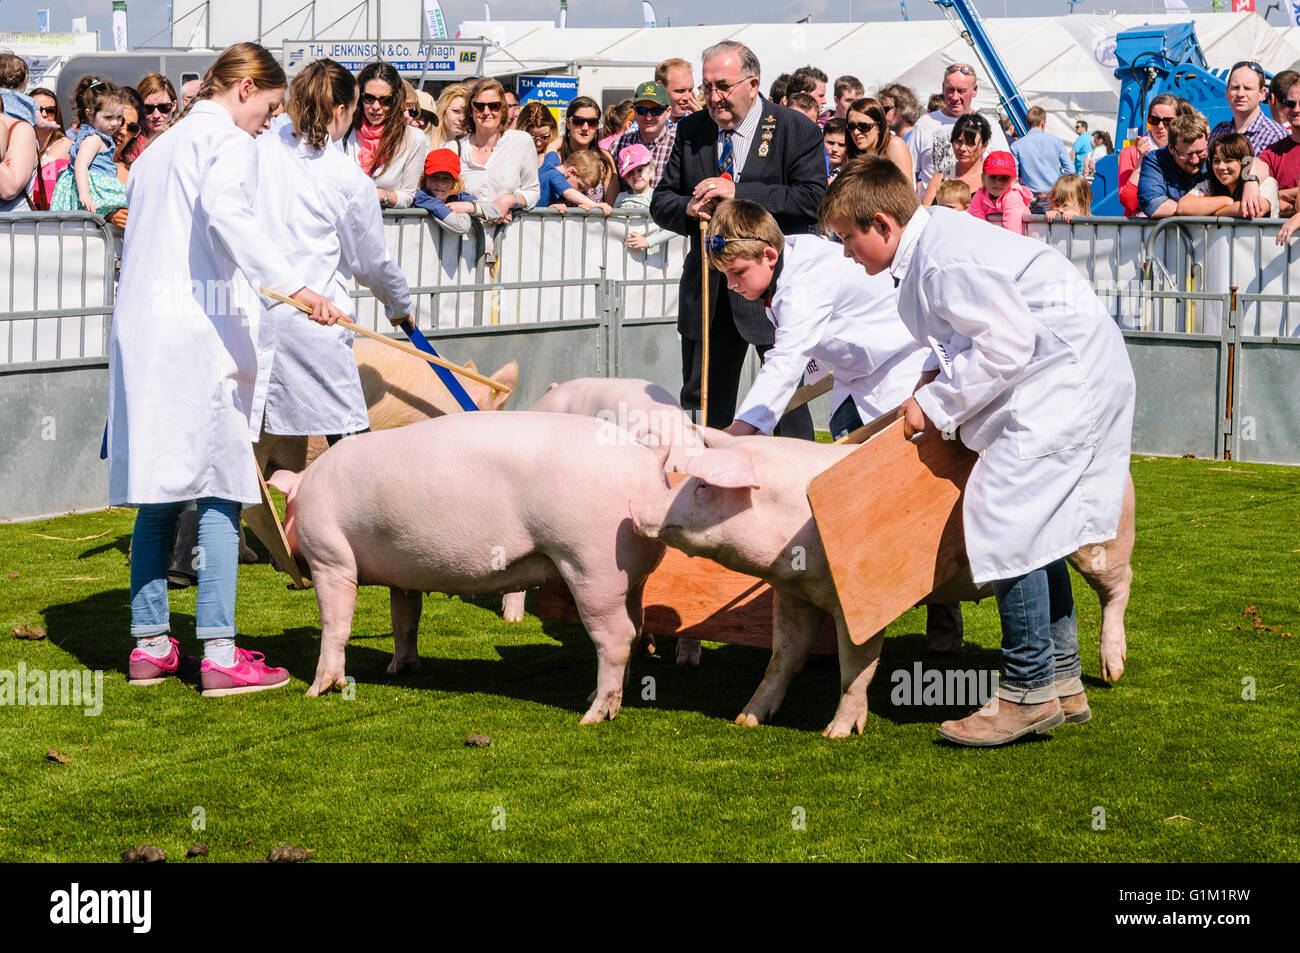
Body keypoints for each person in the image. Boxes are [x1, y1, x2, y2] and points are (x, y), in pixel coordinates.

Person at [820, 155, 1135, 746]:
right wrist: (928, 381)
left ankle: (1025, 694)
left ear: (883, 225)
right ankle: (1061, 681)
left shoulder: (941, 258)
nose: (846, 253)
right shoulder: (937, 245)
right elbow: (966, 335)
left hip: (1060, 381)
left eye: (848, 238)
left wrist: (936, 404)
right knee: (1042, 526)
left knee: (1005, 516)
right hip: (1066, 374)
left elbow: (1006, 343)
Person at [109, 42, 345, 697]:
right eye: (269, 108)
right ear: (244, 87)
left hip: (149, 331)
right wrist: (295, 287)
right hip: (196, 336)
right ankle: (218, 652)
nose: (268, 123)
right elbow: (228, 216)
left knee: (161, 488)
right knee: (219, 484)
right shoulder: (225, 143)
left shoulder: (159, 148)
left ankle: (150, 643)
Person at [650, 39, 826, 435]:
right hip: (711, 292)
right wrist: (688, 209)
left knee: (787, 408)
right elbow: (661, 200)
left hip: (773, 291)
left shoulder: (793, 127)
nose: (714, 97)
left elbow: (813, 199)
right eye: (707, 87)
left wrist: (740, 193)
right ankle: (710, 486)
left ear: (753, 82)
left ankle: (793, 486)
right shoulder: (692, 130)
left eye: (724, 86)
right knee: (710, 411)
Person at [258, 56, 413, 457]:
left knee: (232, 460)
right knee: (352, 457)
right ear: (342, 110)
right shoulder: (347, 178)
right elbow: (371, 262)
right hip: (314, 320)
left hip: (252, 317)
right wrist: (398, 304)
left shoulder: (259, 145)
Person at [441, 77, 539, 223]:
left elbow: (533, 192)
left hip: (508, 238)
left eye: (494, 106)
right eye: (479, 106)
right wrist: (476, 209)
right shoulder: (453, 149)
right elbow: (440, 193)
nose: (486, 112)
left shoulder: (521, 141)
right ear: (471, 110)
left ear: (503, 109)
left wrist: (510, 201)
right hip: (465, 239)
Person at [1137, 112, 1270, 219]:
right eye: (1187, 154)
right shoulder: (1155, 160)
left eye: (1200, 152)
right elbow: (1155, 206)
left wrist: (1251, 181)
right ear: (1171, 148)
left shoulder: (1215, 157)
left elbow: (1258, 163)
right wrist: (1225, 205)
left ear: (1207, 141)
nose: (1195, 160)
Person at [907, 63, 1009, 196]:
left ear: (975, 90)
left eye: (961, 91)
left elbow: (1006, 171)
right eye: (950, 90)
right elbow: (908, 173)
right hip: (936, 210)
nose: (955, 97)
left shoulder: (989, 125)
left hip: (979, 210)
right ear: (943, 88)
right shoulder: (925, 124)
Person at [343, 62, 428, 210]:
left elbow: (408, 196)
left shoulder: (413, 138)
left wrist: (381, 196)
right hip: (345, 224)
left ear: (395, 101)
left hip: (385, 228)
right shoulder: (345, 130)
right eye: (369, 98)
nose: (376, 107)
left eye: (385, 101)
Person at [49, 80, 129, 217]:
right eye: (108, 117)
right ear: (90, 114)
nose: (115, 123)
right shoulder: (94, 138)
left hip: (93, 185)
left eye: (119, 117)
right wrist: (84, 193)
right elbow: (81, 164)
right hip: (90, 187)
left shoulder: (96, 136)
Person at [1178, 133, 1277, 219]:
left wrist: (1212, 214)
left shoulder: (1265, 182)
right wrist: (1227, 201)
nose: (1221, 167)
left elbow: (1255, 209)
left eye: (1228, 160)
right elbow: (1182, 207)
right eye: (1216, 161)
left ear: (1244, 162)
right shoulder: (1209, 184)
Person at [1116, 93, 1183, 217]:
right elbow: (1129, 202)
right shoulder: (1130, 153)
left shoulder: (1186, 152)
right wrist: (1141, 160)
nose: (1160, 126)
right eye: (1155, 120)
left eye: (1168, 121)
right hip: (1140, 230)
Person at [1209, 61, 1287, 157]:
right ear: (1227, 91)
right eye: (1235, 88)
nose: (1240, 94)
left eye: (1247, 88)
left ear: (1262, 93)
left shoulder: (1278, 138)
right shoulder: (1218, 134)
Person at [611, 81, 677, 189]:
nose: (648, 117)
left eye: (656, 111)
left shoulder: (679, 144)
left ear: (668, 111)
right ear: (634, 111)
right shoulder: (618, 145)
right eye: (642, 110)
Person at [919, 111, 989, 207]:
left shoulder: (992, 180)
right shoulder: (940, 178)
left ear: (984, 146)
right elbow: (925, 214)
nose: (962, 148)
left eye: (970, 143)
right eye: (958, 141)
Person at [559, 95, 618, 203]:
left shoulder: (604, 159)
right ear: (568, 123)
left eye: (592, 122)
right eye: (578, 121)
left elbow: (612, 206)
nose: (585, 128)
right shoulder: (556, 157)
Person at [1010, 105, 1073, 202]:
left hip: (1029, 198)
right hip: (1054, 197)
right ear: (1043, 123)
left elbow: (1013, 176)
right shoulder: (1056, 142)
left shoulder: (1016, 145)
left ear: (1027, 123)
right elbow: (1071, 170)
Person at [614, 143, 671, 250]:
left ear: (651, 171)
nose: (635, 175)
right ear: (625, 178)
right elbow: (613, 225)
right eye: (630, 172)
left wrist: (648, 241)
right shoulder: (621, 198)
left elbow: (675, 227)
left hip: (651, 258)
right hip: (624, 255)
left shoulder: (657, 197)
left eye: (640, 170)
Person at [845, 97, 912, 184]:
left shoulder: (894, 145)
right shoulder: (850, 152)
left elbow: (906, 191)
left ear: (879, 127)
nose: (856, 132)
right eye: (851, 126)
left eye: (863, 126)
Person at [414, 148, 479, 234]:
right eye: (434, 177)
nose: (440, 184)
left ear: (454, 182)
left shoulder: (455, 195)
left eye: (446, 179)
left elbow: (493, 209)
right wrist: (469, 210)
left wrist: (470, 207)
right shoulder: (422, 197)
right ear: (425, 178)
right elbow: (462, 226)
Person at [1260, 80, 1300, 217]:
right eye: (1291, 103)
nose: (1296, 109)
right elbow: (1260, 197)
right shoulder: (1271, 153)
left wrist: (1281, 194)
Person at [968, 150, 1032, 233]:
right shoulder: (980, 194)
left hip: (1019, 240)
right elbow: (977, 225)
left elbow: (1012, 230)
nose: (998, 182)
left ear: (1013, 180)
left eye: (1004, 178)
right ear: (983, 177)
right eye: (993, 176)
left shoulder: (1012, 195)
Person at [29, 87, 71, 211]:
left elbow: (41, 175)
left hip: (48, 215)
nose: (43, 114)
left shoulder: (64, 144)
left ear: (56, 114)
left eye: (50, 110)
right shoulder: (24, 141)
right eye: (37, 109)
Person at [130, 73, 178, 162]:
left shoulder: (182, 138)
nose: (156, 115)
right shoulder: (130, 145)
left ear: (174, 105)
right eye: (148, 108)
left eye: (163, 107)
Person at [656, 57, 700, 122]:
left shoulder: (698, 120)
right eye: (680, 91)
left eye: (690, 90)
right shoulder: (646, 124)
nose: (687, 97)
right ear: (660, 88)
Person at [429, 83, 468, 149]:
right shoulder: (425, 143)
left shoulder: (468, 146)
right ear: (442, 111)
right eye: (456, 111)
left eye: (467, 113)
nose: (462, 118)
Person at [824, 117, 846, 182]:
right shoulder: (811, 167)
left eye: (841, 145)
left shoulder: (851, 174)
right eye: (831, 143)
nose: (835, 149)